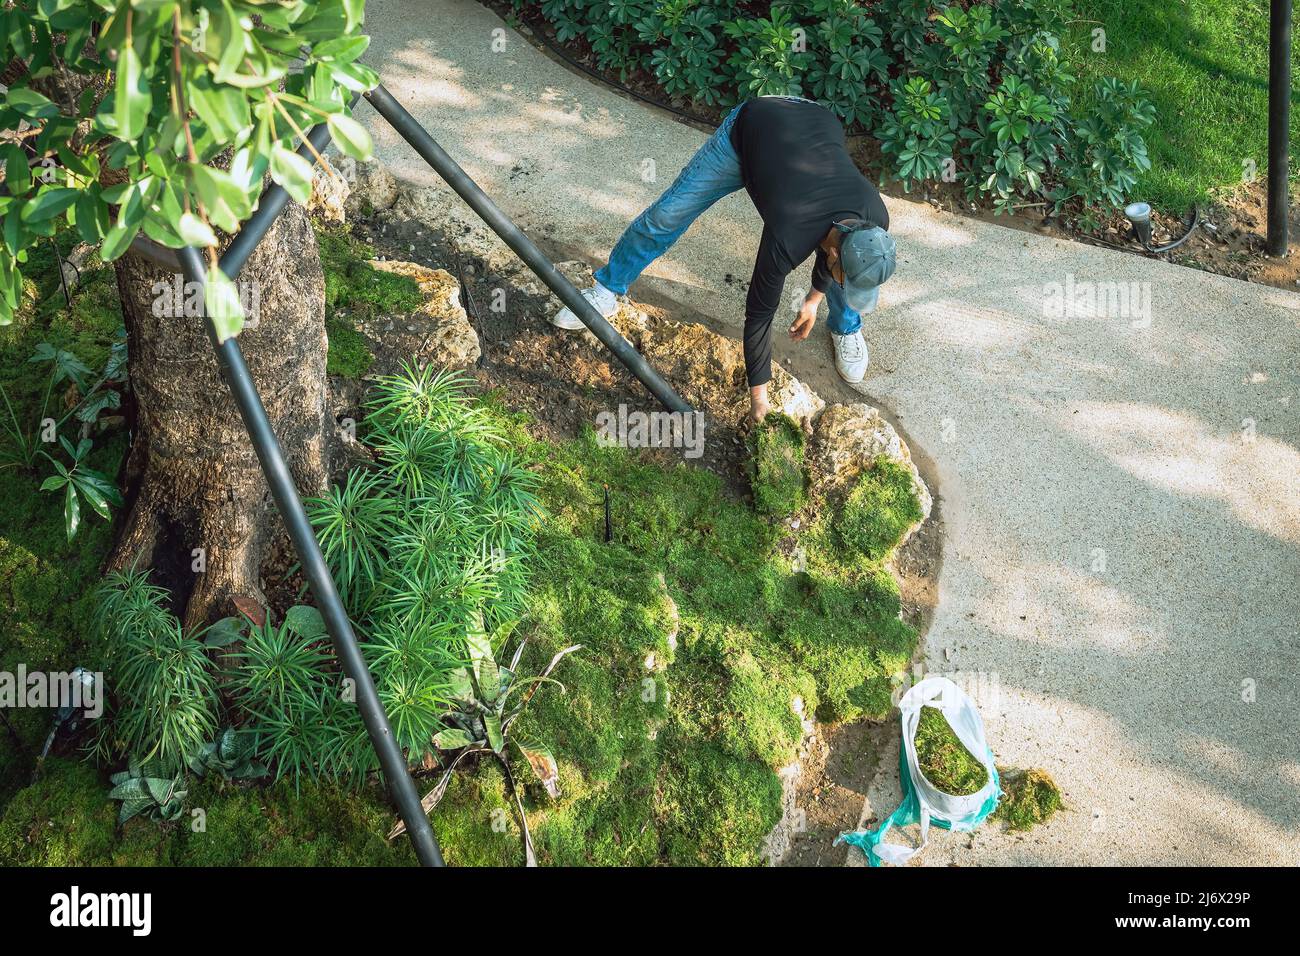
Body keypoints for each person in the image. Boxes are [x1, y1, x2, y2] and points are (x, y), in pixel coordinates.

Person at [552, 95, 897, 424]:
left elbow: (835, 247)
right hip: (753, 129)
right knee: (667, 216)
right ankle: (608, 289)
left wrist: (812, 300)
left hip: (808, 134)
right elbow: (760, 314)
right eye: (836, 266)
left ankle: (845, 325)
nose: (839, 274)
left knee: (855, 271)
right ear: (833, 251)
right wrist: (759, 398)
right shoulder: (790, 229)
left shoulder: (875, 221)